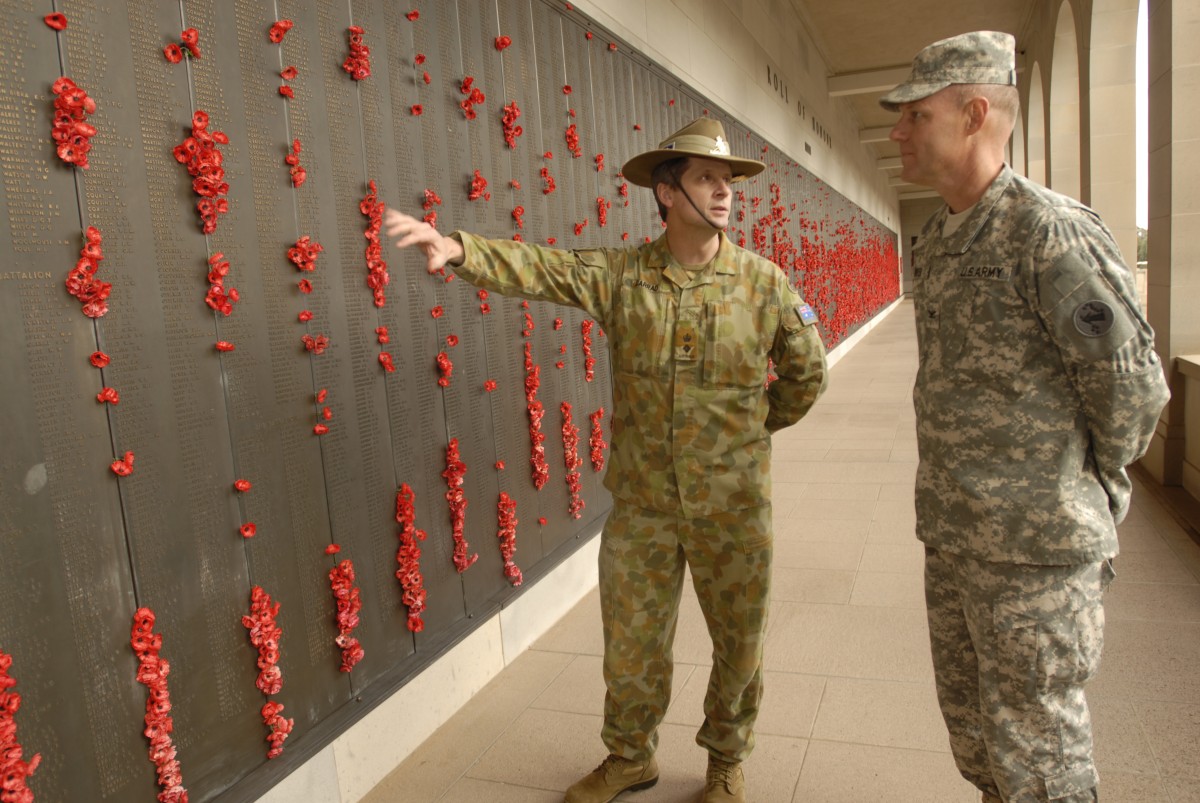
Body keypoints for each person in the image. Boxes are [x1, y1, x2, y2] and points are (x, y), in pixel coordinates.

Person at [384, 117, 827, 803]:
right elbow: (546, 268)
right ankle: (629, 755)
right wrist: (460, 251)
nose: (724, 191)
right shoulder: (623, 277)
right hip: (645, 508)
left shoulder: (764, 284)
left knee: (739, 646)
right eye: (707, 177)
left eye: (728, 180)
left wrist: (748, 433)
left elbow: (806, 374)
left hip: (734, 508)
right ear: (666, 188)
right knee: (631, 645)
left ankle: (726, 761)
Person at [882, 31, 1170, 803]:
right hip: (955, 536)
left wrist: (1078, 485)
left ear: (975, 113)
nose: (897, 132)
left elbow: (1132, 387)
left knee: (1041, 759)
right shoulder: (939, 241)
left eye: (916, 115)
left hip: (1035, 552)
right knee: (980, 739)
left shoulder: (1047, 230)